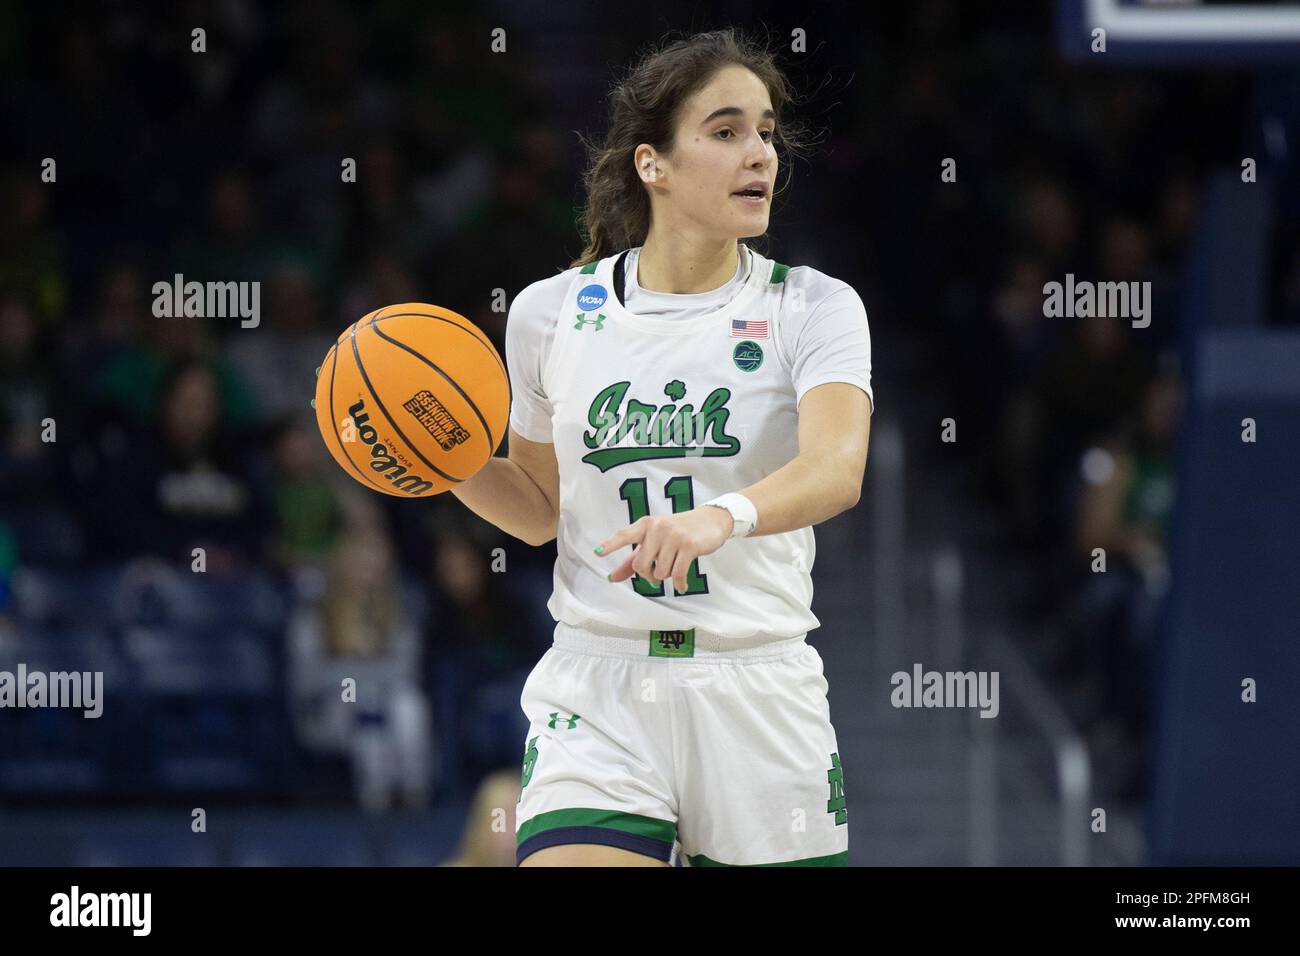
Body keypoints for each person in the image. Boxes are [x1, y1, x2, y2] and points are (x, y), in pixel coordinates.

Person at [452, 29, 873, 867]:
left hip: (755, 682)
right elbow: (539, 513)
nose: (759, 153)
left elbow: (837, 468)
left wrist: (722, 515)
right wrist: (441, 463)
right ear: (653, 164)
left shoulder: (814, 307)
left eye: (765, 131)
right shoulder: (547, 313)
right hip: (600, 682)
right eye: (725, 131)